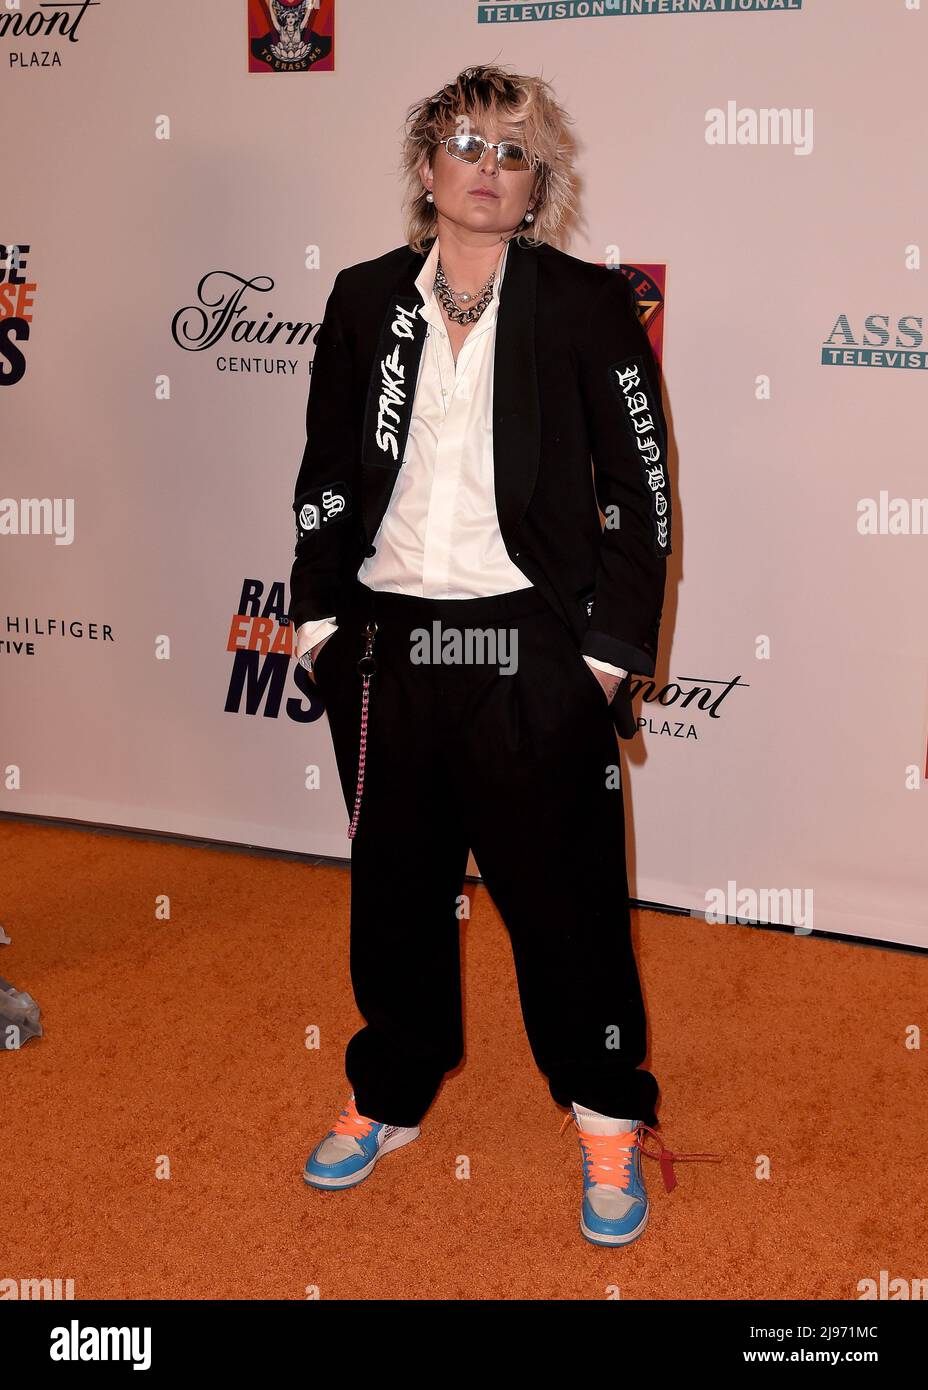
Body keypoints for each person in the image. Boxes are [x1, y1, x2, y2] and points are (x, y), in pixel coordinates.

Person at [289, 64, 713, 1247]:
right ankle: (390, 1089)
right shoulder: (364, 297)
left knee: (566, 906)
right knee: (394, 893)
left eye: (513, 152)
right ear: (426, 167)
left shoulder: (583, 303)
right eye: (466, 145)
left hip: (528, 644)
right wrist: (319, 624)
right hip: (385, 643)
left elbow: (641, 491)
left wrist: (603, 658)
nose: (487, 168)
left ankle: (606, 1111)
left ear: (538, 186)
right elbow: (326, 469)